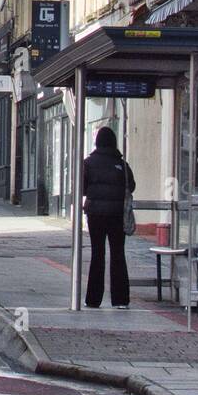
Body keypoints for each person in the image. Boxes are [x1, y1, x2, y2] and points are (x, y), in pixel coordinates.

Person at [83, 126, 135, 309]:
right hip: (116, 215)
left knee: (97, 254)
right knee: (118, 254)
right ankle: (120, 299)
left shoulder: (88, 163)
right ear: (113, 143)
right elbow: (132, 185)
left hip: (95, 214)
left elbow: (82, 188)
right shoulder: (121, 164)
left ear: (97, 142)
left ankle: (93, 299)